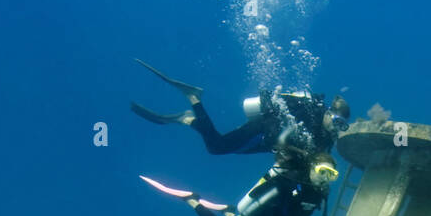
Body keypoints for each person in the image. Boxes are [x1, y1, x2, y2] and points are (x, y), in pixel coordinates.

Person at [130, 58, 350, 158]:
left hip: (264, 142)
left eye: (341, 126)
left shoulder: (324, 135)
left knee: (220, 147)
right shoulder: (310, 111)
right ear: (329, 112)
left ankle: (187, 119)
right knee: (217, 147)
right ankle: (193, 99)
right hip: (262, 130)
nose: (335, 128)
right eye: (336, 121)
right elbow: (283, 136)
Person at [140, 153, 339, 216]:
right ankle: (192, 201)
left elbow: (304, 215)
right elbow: (262, 199)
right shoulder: (288, 181)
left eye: (331, 175)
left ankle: (228, 211)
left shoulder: (319, 193)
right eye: (322, 171)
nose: (324, 178)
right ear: (312, 167)